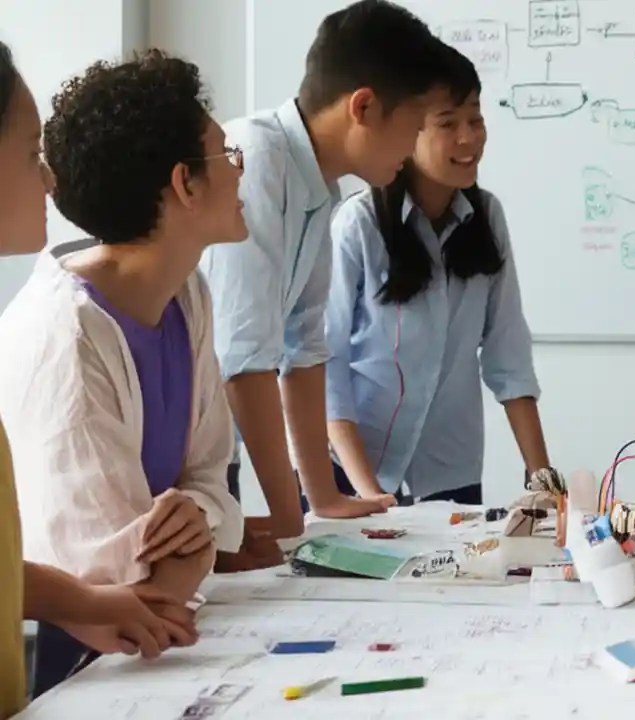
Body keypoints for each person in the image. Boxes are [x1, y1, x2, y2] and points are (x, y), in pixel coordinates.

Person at [0, 50, 246, 697]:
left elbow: (212, 481)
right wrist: (199, 532)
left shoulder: (186, 291)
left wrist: (198, 515)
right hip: (91, 654)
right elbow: (118, 579)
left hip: (138, 633)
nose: (48, 182)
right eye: (228, 157)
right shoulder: (65, 338)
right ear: (185, 184)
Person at [199, 0, 449, 560]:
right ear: (363, 106)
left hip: (216, 452)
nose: (413, 151)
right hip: (178, 450)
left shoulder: (320, 188)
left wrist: (322, 497)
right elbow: (244, 361)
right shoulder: (257, 161)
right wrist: (291, 515)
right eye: (411, 128)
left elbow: (304, 347)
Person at [326, 44, 555, 505]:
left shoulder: (487, 217)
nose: (469, 138)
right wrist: (369, 493)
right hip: (352, 474)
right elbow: (325, 369)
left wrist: (543, 480)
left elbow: (508, 354)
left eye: (476, 119)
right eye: (448, 124)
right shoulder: (360, 224)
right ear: (408, 132)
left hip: (449, 475)